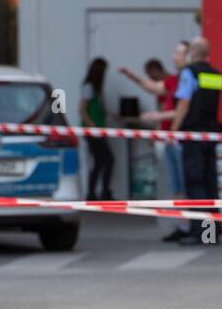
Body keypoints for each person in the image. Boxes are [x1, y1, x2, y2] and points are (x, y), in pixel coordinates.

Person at [120, 42, 189, 241]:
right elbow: (154, 88)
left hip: (179, 139)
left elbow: (185, 109)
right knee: (175, 186)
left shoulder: (187, 79)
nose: (174, 56)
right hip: (169, 138)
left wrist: (158, 117)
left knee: (183, 186)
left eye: (178, 52)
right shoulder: (174, 80)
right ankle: (182, 227)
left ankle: (192, 227)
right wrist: (132, 76)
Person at [171, 37, 222, 245]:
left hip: (193, 135)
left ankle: (200, 233)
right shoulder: (216, 75)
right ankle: (212, 233)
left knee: (195, 183)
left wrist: (175, 128)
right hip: (210, 134)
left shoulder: (189, 73)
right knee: (211, 184)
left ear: (192, 53)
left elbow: (184, 101)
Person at [79, 57, 114, 200]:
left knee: (101, 161)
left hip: (98, 129)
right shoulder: (89, 87)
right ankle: (98, 192)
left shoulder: (97, 89)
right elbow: (82, 110)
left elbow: (97, 109)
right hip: (93, 131)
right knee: (106, 160)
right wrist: (93, 128)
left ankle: (95, 192)